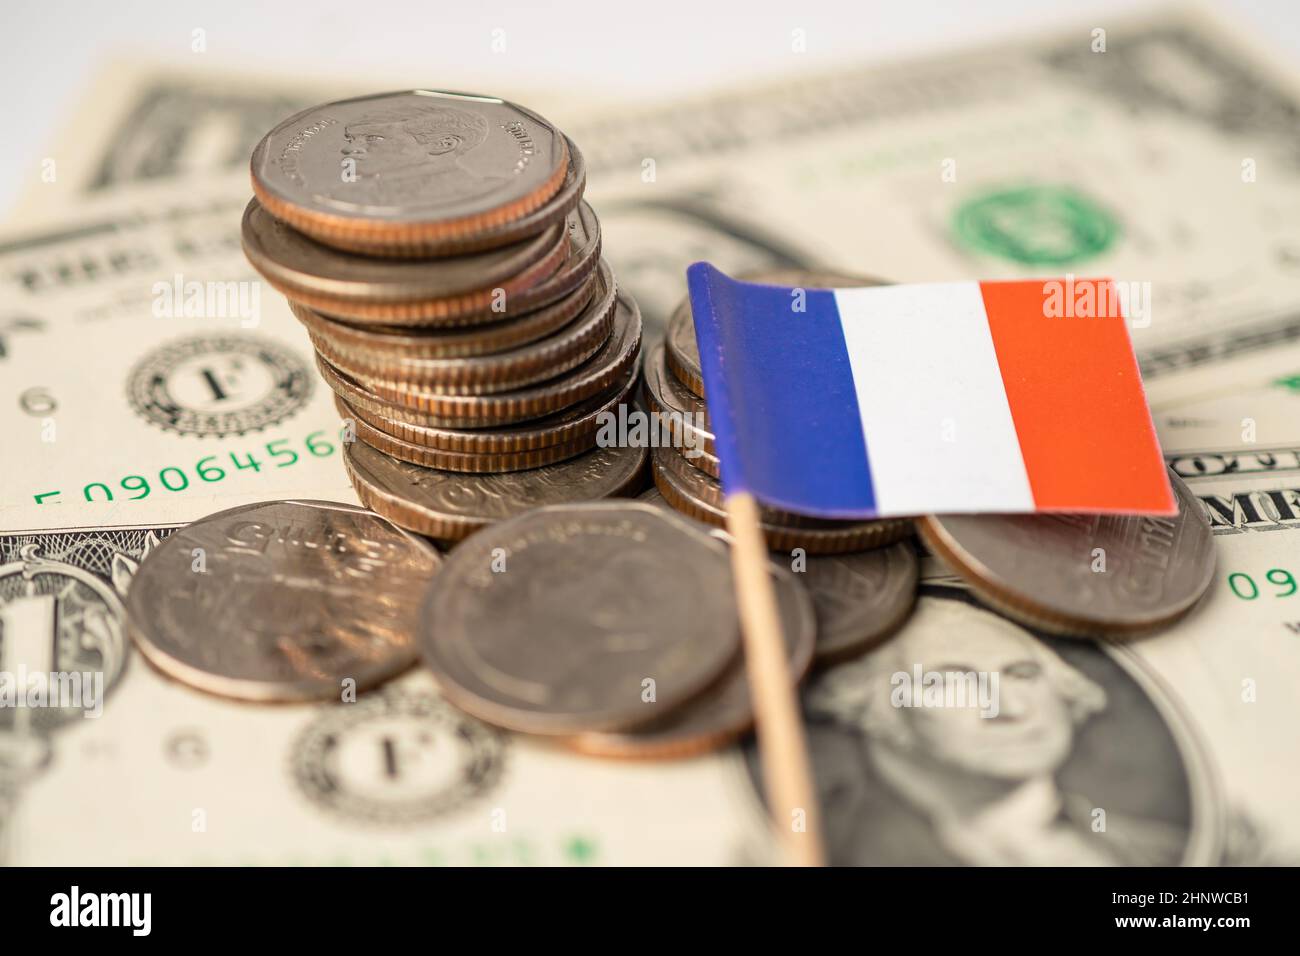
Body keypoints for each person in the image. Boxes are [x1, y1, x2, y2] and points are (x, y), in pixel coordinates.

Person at [805, 596, 1189, 865]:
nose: (1008, 708)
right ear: (872, 709)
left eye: (1022, 674)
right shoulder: (835, 850)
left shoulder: (1163, 853)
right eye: (948, 683)